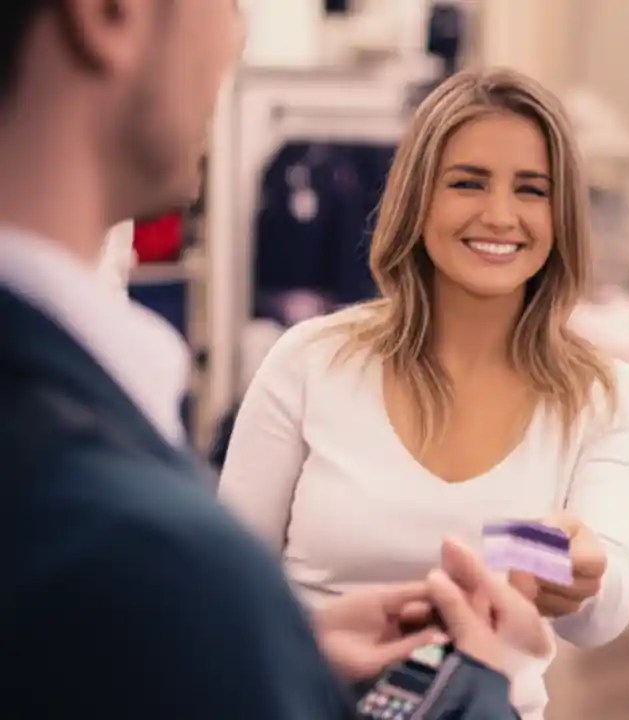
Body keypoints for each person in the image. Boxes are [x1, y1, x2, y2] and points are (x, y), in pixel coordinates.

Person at [0, 1, 546, 716]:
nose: (238, 35)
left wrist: (284, 648)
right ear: (110, 13)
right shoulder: (129, 527)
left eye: (530, 189)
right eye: (229, 3)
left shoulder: (595, 391)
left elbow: (598, 597)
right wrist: (472, 693)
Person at [218, 67, 629, 718]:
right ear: (418, 197)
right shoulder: (311, 362)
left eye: (531, 190)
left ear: (559, 217)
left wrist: (584, 578)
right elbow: (225, 593)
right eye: (467, 183)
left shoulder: (603, 393)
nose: (500, 215)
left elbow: (597, 619)